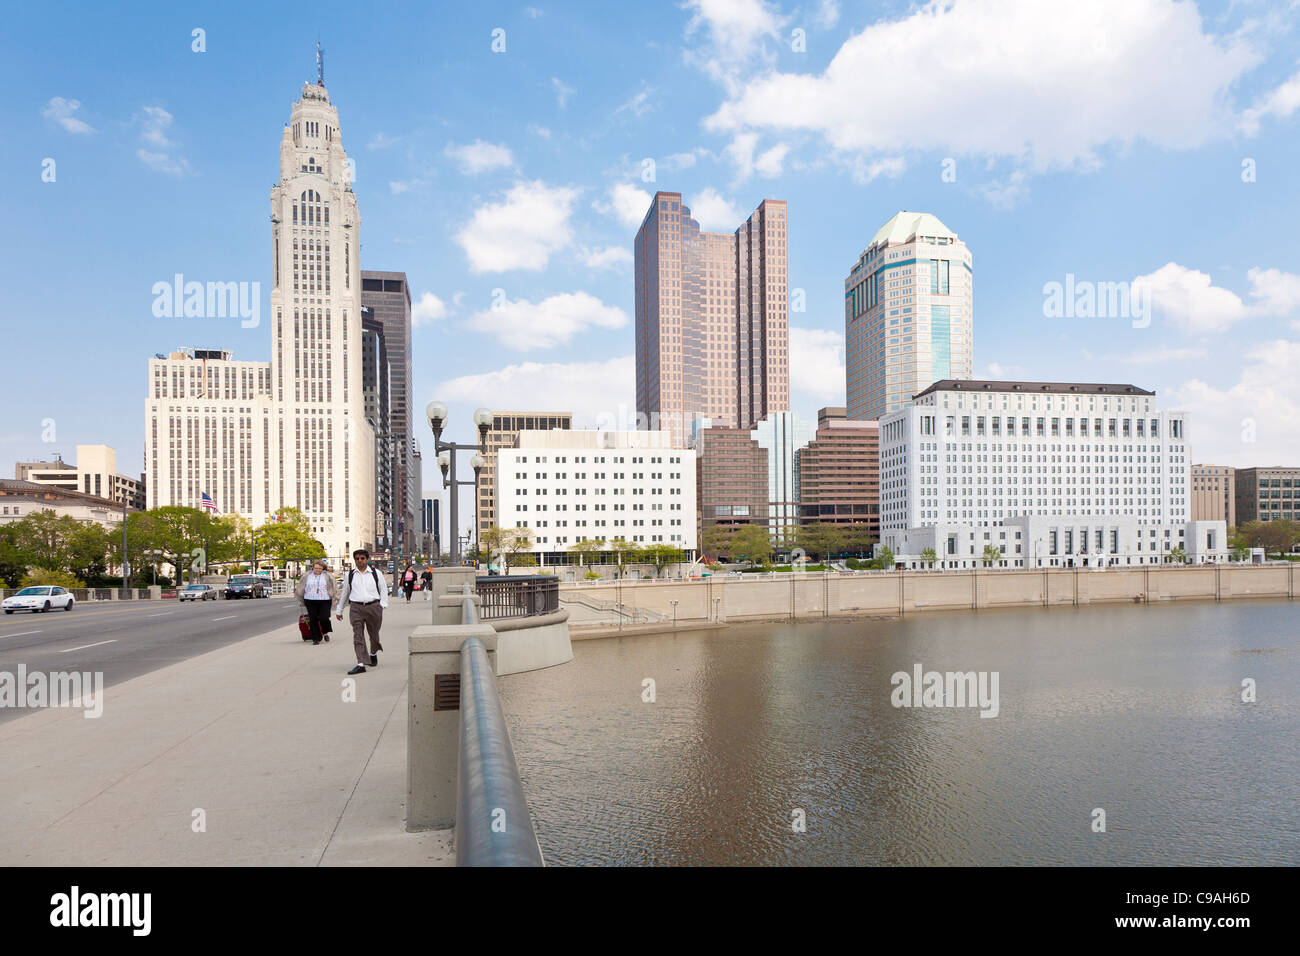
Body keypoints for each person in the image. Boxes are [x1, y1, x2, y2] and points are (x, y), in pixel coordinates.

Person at [334, 549, 388, 675]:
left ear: (367, 559)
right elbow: (345, 592)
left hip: (374, 607)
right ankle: (361, 663)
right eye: (357, 558)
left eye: (362, 558)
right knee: (358, 635)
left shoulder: (376, 573)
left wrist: (382, 605)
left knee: (374, 635)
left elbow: (383, 589)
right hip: (356, 608)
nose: (359, 561)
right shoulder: (350, 575)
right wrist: (339, 610)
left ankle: (373, 652)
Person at [295, 559, 336, 645]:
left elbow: (334, 588)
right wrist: (301, 600)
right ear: (312, 568)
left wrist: (334, 599)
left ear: (323, 569)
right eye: (316, 568)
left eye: (320, 568)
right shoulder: (307, 576)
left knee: (324, 618)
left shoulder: (327, 576)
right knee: (313, 619)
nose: (318, 570)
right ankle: (316, 638)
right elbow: (300, 587)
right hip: (310, 599)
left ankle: (325, 632)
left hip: (324, 600)